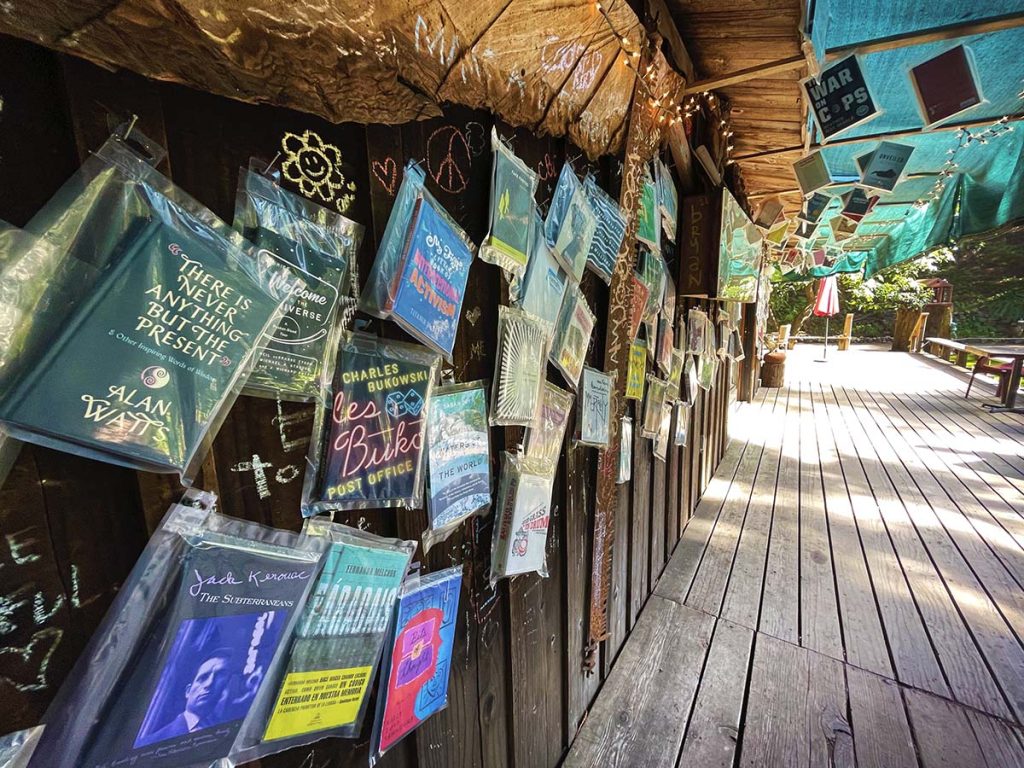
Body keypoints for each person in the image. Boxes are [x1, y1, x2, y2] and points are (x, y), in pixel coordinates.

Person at [146, 647, 234, 744]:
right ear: (188, 691)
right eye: (203, 678)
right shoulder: (149, 743)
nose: (209, 683)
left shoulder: (232, 731)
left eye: (220, 675)